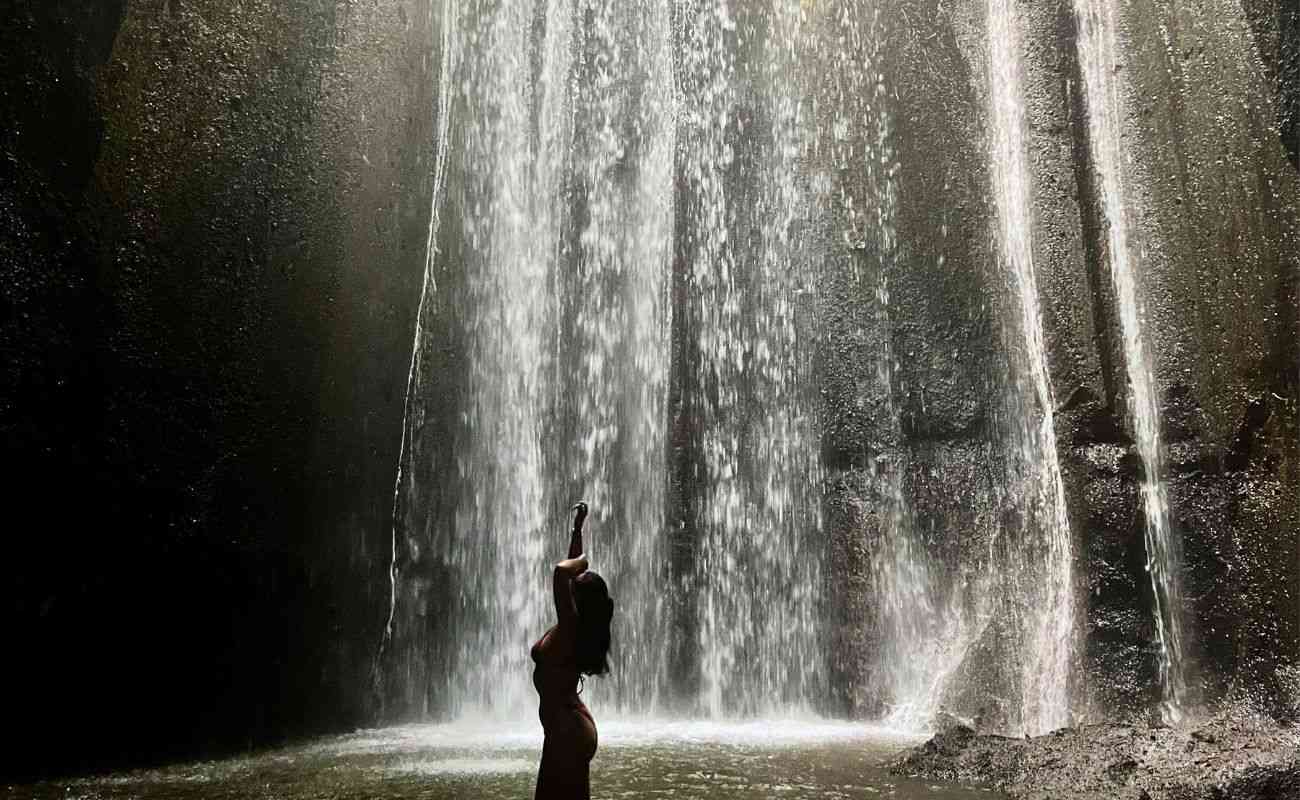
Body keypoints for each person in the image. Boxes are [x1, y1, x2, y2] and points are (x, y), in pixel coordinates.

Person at [531, 501, 614, 800]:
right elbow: (567, 572)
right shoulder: (573, 626)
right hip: (568, 727)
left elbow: (560, 572)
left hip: (567, 728)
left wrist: (584, 560)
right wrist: (577, 530)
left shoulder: (570, 625)